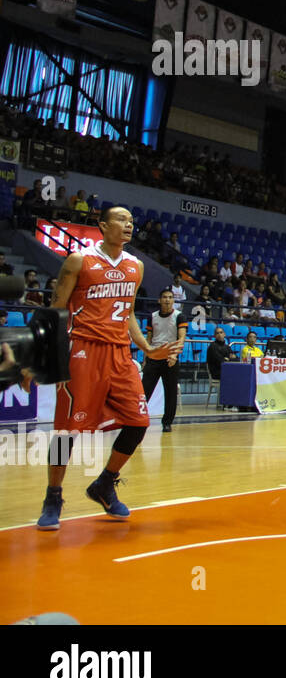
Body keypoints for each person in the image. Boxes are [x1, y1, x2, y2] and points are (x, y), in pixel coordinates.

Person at [36, 207, 181, 531]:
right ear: (103, 226)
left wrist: (145, 347)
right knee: (66, 431)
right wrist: (42, 355)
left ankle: (105, 483)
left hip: (119, 354)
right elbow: (56, 309)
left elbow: (128, 313)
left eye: (131, 221)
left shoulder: (136, 266)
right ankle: (53, 496)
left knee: (139, 421)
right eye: (120, 219)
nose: (128, 225)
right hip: (83, 351)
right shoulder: (79, 260)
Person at [143, 288, 187, 432]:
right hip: (154, 356)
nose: (167, 300)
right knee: (144, 391)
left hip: (170, 357)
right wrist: (145, 358)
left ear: (173, 300)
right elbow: (149, 339)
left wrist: (174, 355)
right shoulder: (152, 316)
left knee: (170, 392)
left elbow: (181, 338)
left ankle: (167, 422)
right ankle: (138, 418)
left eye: (170, 297)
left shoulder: (179, 316)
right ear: (159, 300)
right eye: (164, 297)